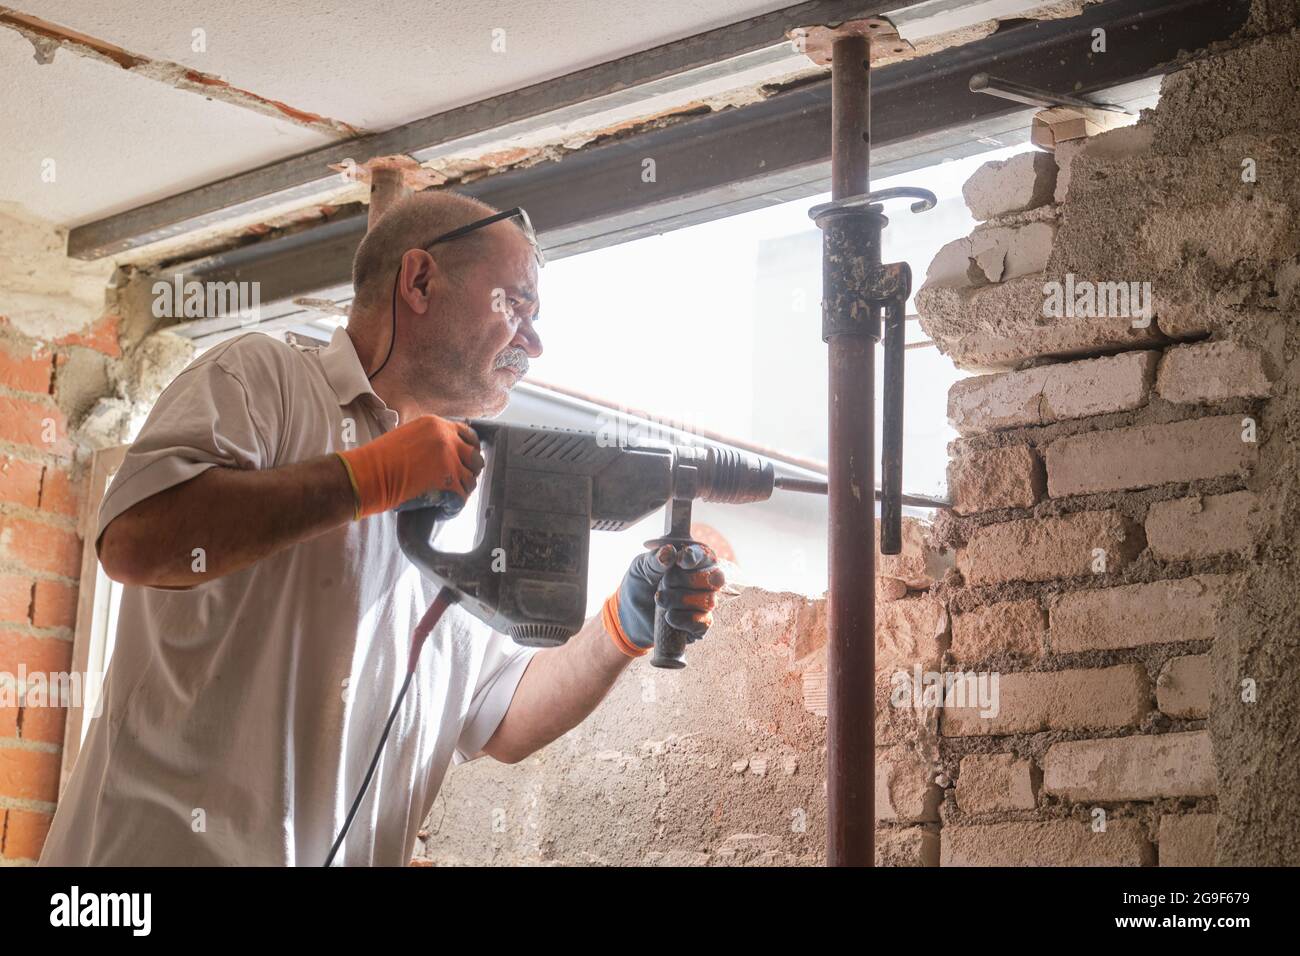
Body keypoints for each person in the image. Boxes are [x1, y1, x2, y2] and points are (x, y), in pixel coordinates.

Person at [38, 192, 725, 866]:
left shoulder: (473, 497)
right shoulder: (265, 380)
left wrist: (622, 627)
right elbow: (137, 539)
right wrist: (365, 479)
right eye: (516, 304)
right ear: (419, 281)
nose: (535, 342)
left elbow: (503, 719)